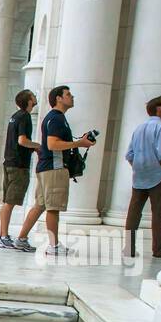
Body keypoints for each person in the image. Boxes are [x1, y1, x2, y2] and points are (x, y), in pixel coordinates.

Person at [14, 85, 94, 257]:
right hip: (54, 168)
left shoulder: (55, 118)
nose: (72, 97)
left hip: (45, 167)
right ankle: (53, 246)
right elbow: (52, 144)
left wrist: (79, 141)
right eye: (68, 94)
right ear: (58, 98)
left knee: (40, 205)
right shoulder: (57, 118)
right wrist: (79, 144)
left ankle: (21, 239)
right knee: (53, 207)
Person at [124, 95, 161, 261]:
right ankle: (159, 249)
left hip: (139, 176)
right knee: (158, 213)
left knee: (134, 212)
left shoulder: (139, 128)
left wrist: (138, 167)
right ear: (159, 108)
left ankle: (129, 249)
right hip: (157, 175)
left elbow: (129, 154)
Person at [0, 89, 41, 251]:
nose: (36, 98)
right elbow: (22, 140)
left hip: (9, 162)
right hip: (18, 165)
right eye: (33, 96)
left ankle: (3, 235)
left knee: (7, 202)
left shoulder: (14, 117)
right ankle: (3, 236)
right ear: (29, 101)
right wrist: (37, 146)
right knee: (10, 202)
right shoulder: (24, 116)